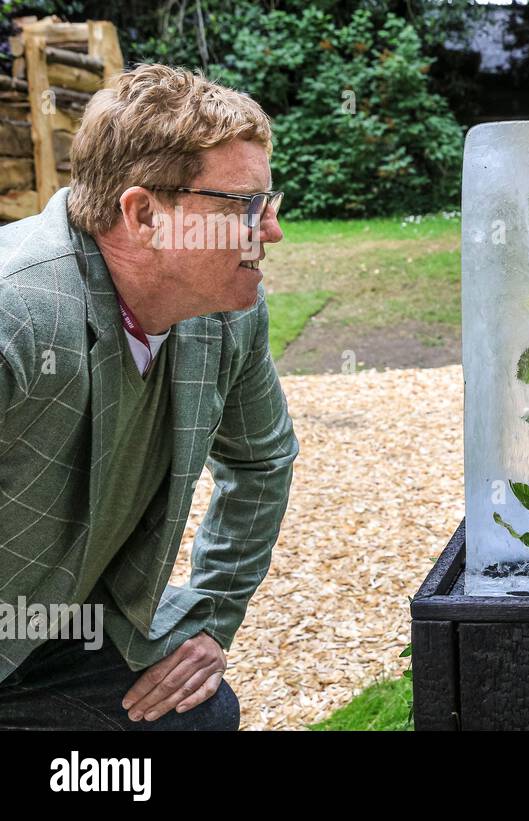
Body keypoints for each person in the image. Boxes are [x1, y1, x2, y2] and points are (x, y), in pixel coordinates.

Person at [0, 64, 298, 729]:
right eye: (244, 206)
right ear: (143, 213)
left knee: (200, 715)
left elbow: (260, 460)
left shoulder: (229, 314)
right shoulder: (16, 316)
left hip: (55, 627)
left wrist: (213, 618)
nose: (271, 229)